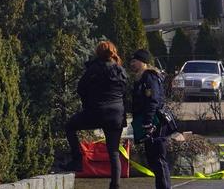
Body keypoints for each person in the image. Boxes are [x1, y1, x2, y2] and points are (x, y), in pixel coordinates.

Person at [62, 40, 128, 188]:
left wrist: (88, 105)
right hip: (116, 115)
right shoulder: (120, 70)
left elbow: (81, 89)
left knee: (70, 126)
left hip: (96, 112)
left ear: (98, 53)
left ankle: (77, 159)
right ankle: (115, 185)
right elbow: (124, 92)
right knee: (114, 152)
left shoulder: (94, 69)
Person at [129, 49, 172, 189]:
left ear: (143, 62)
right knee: (153, 159)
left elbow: (153, 101)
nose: (132, 64)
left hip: (155, 123)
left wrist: (148, 122)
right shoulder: (142, 78)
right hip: (148, 121)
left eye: (135, 61)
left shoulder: (149, 77)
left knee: (158, 158)